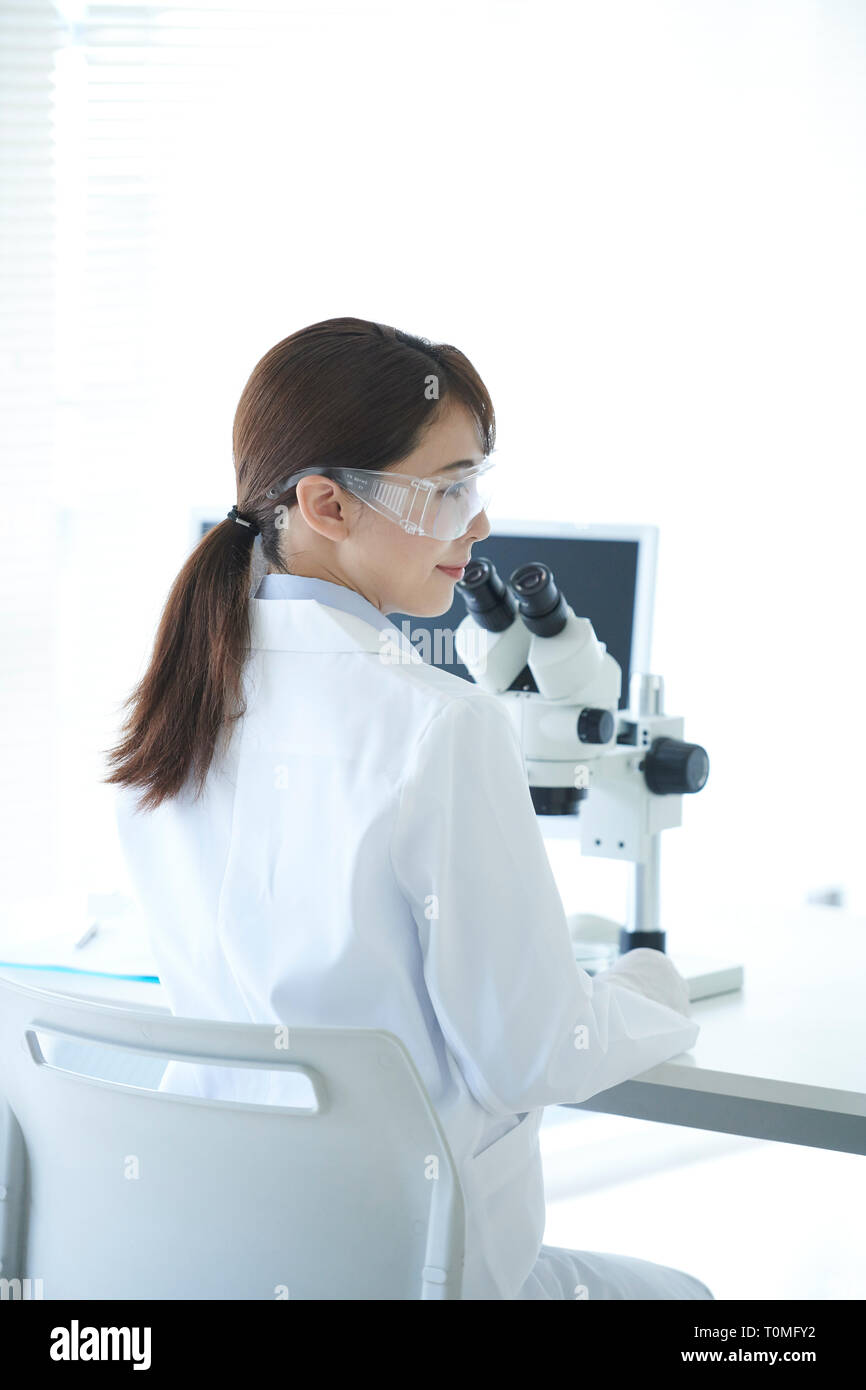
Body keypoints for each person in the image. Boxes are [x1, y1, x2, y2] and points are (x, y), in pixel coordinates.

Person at [105, 316, 713, 1301]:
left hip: (217, 1255)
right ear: (325, 505)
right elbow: (535, 1053)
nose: (475, 526)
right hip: (413, 1268)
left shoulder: (177, 698)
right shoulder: (442, 724)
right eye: (447, 488)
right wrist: (654, 994)